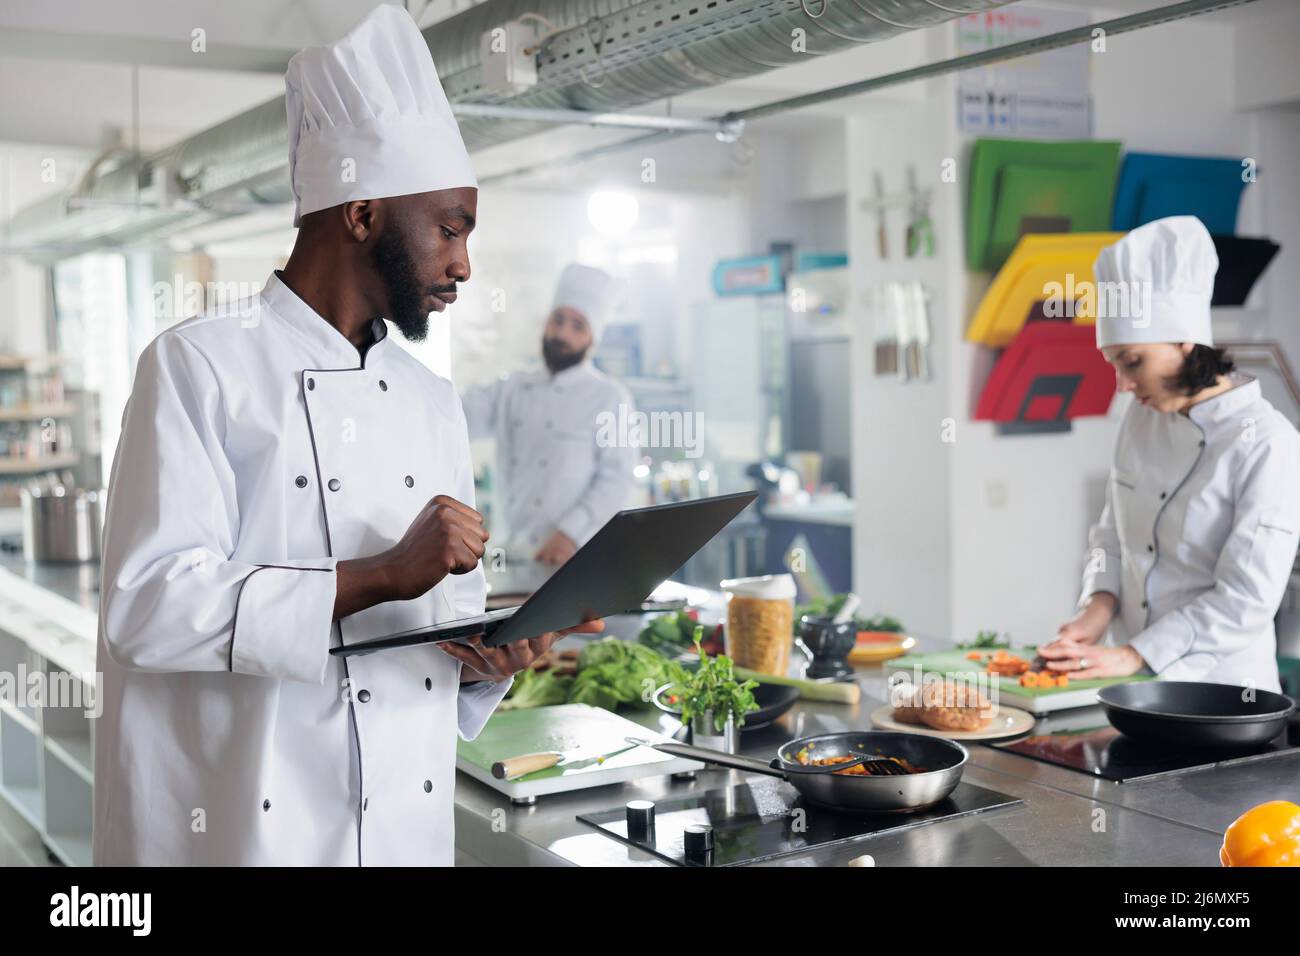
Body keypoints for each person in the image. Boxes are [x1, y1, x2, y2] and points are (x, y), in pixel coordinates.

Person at [93, 4, 602, 867]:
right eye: (450, 227)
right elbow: (148, 607)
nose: (464, 265)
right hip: (252, 832)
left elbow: (429, 642)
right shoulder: (198, 367)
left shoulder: (429, 398)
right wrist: (380, 575)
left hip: (401, 833)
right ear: (360, 213)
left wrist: (488, 659)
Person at [1041, 216, 1300, 692]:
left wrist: (1135, 654)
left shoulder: (1267, 442)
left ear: (1185, 340)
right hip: (1133, 690)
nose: (1122, 384)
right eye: (1114, 363)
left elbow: (1247, 597)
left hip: (1222, 695)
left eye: (1133, 361)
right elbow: (1110, 535)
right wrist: (1095, 608)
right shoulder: (1140, 419)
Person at [462, 263, 637, 567]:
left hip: (572, 556)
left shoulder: (610, 398)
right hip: (510, 553)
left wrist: (570, 534)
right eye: (558, 319)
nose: (562, 333)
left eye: (577, 326)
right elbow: (455, 418)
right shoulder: (513, 386)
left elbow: (617, 480)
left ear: (592, 340)